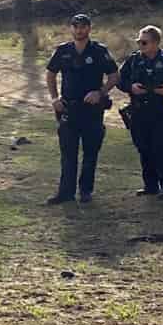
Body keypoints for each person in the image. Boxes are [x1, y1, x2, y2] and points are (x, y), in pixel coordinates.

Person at [44, 12, 118, 205]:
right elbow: (50, 74)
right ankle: (65, 193)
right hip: (69, 108)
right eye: (76, 27)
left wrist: (100, 93)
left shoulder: (99, 51)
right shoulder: (63, 50)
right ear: (71, 28)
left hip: (92, 110)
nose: (79, 30)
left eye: (83, 26)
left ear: (89, 29)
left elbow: (114, 76)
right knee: (68, 153)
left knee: (90, 152)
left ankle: (86, 191)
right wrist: (54, 98)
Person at [119, 25, 163, 196]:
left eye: (144, 42)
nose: (140, 45)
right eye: (139, 42)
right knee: (144, 148)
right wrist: (131, 87)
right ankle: (150, 186)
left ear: (155, 43)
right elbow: (119, 80)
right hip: (139, 110)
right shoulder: (133, 60)